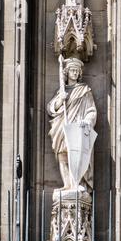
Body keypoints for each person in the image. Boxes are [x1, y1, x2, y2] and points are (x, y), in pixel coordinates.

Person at [47, 57, 97, 192]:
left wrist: (87, 121)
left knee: (75, 154)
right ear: (67, 72)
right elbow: (51, 108)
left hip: (77, 127)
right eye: (72, 70)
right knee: (62, 154)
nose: (75, 73)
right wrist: (59, 100)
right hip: (62, 126)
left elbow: (91, 110)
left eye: (77, 71)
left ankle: (76, 183)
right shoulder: (62, 91)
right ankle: (67, 184)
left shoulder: (84, 90)